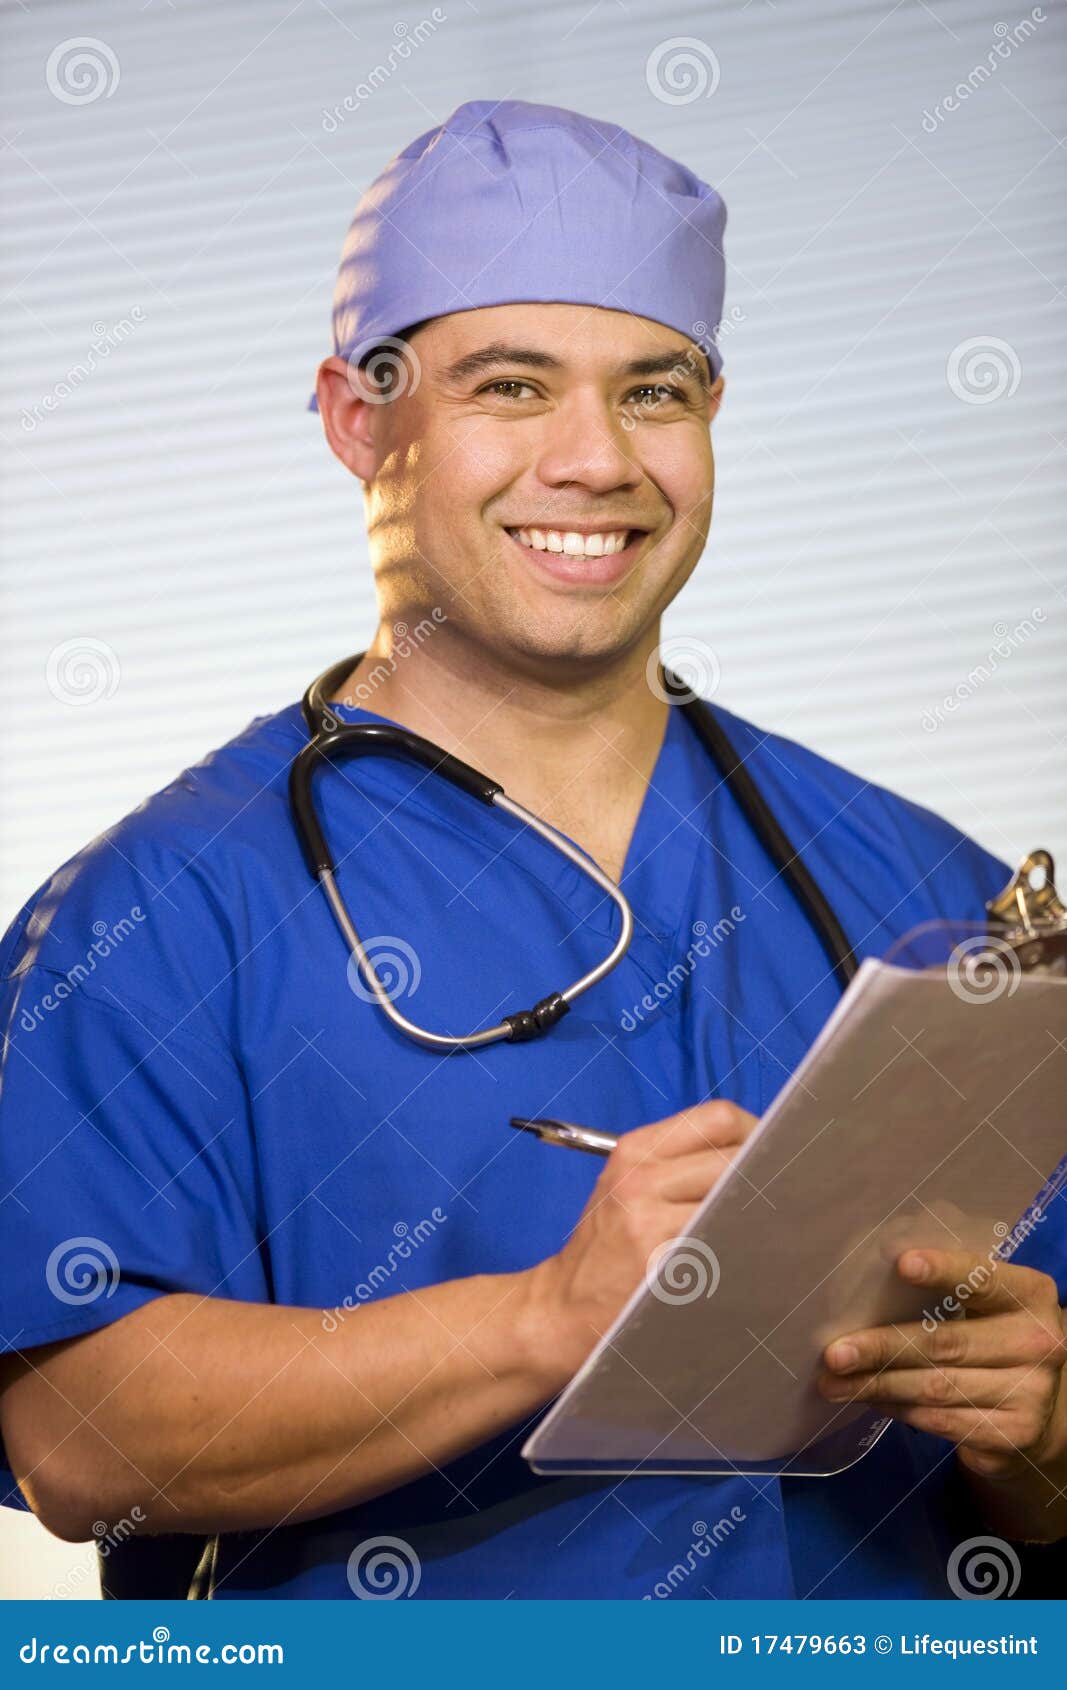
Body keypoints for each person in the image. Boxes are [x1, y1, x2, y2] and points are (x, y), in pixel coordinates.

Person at [1, 99, 1064, 1602]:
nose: (596, 460)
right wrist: (546, 1319)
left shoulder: (929, 890)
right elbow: (75, 1435)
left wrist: (1041, 1439)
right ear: (359, 419)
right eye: (510, 386)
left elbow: (1044, 1461)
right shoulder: (166, 912)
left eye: (654, 392)